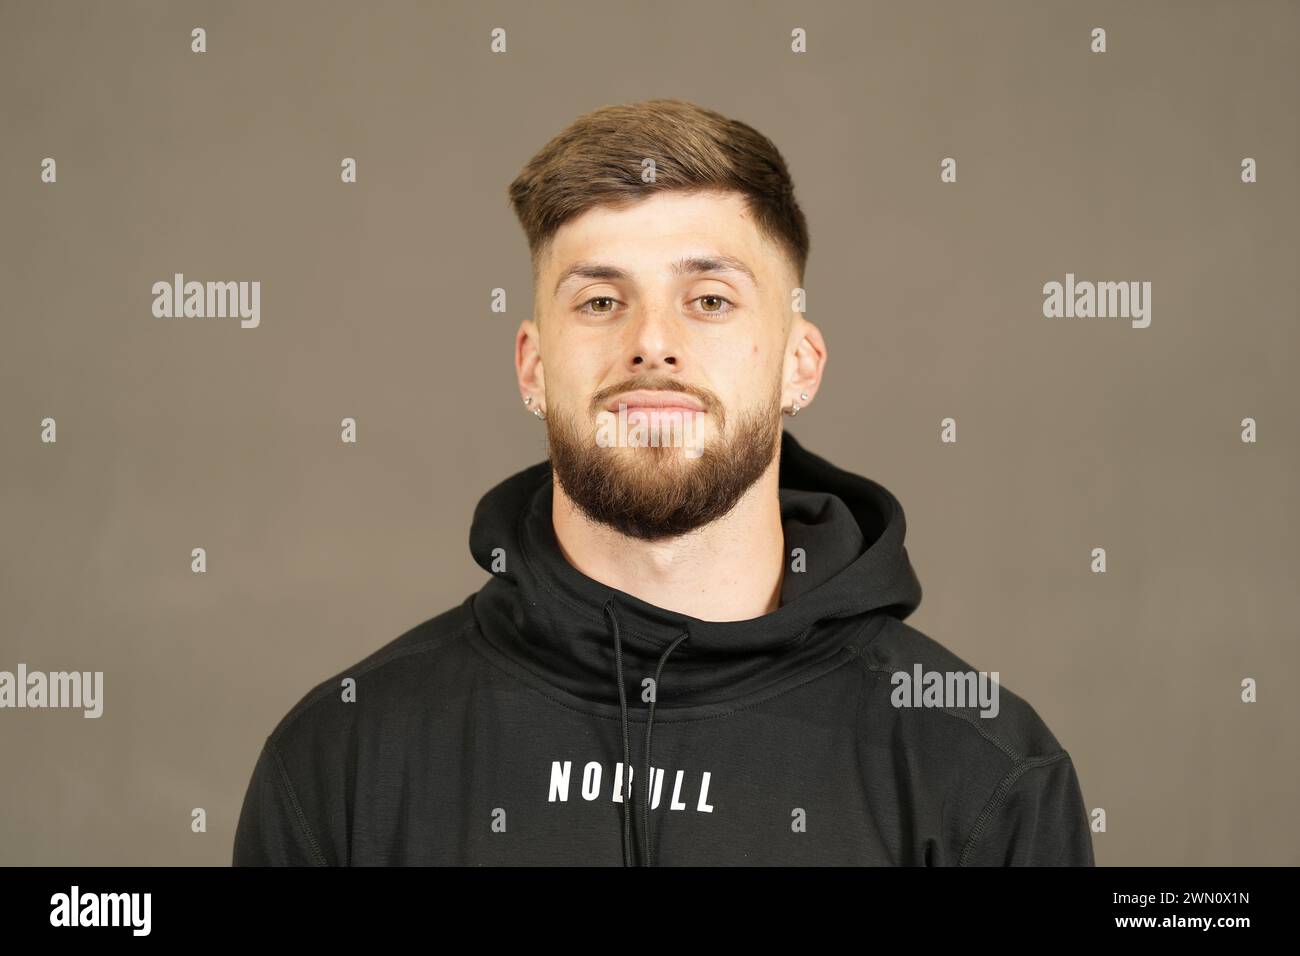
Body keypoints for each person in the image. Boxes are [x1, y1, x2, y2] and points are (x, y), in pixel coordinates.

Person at [233, 98, 1094, 866]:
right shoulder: (345, 758)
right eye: (600, 302)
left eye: (710, 300)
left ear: (801, 363)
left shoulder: (982, 772)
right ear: (532, 366)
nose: (652, 343)